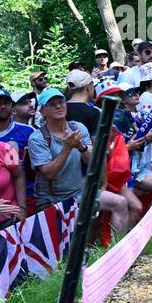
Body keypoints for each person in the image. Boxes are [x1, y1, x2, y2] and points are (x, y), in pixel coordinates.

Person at [27, 89, 130, 235]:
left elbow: (93, 162)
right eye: (52, 104)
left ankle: (119, 252)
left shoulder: (78, 127)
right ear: (43, 111)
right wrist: (67, 148)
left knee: (120, 203)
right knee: (77, 230)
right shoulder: (37, 138)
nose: (59, 106)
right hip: (54, 199)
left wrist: (81, 146)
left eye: (61, 102)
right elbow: (48, 173)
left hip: (81, 192)